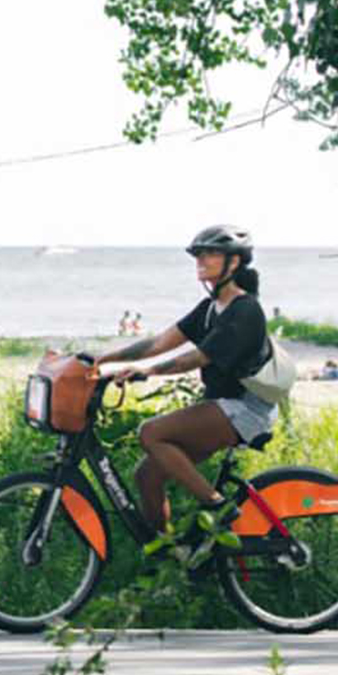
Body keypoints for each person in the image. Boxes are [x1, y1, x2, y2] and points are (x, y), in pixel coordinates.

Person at [95, 224, 272, 565]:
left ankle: (219, 505)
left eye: (210, 254)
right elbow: (160, 342)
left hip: (246, 410)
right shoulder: (209, 308)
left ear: (233, 263)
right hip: (221, 407)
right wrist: (103, 359)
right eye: (199, 255)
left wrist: (149, 372)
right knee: (147, 475)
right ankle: (172, 556)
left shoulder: (245, 310)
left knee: (151, 432)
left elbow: (199, 356)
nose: (201, 260)